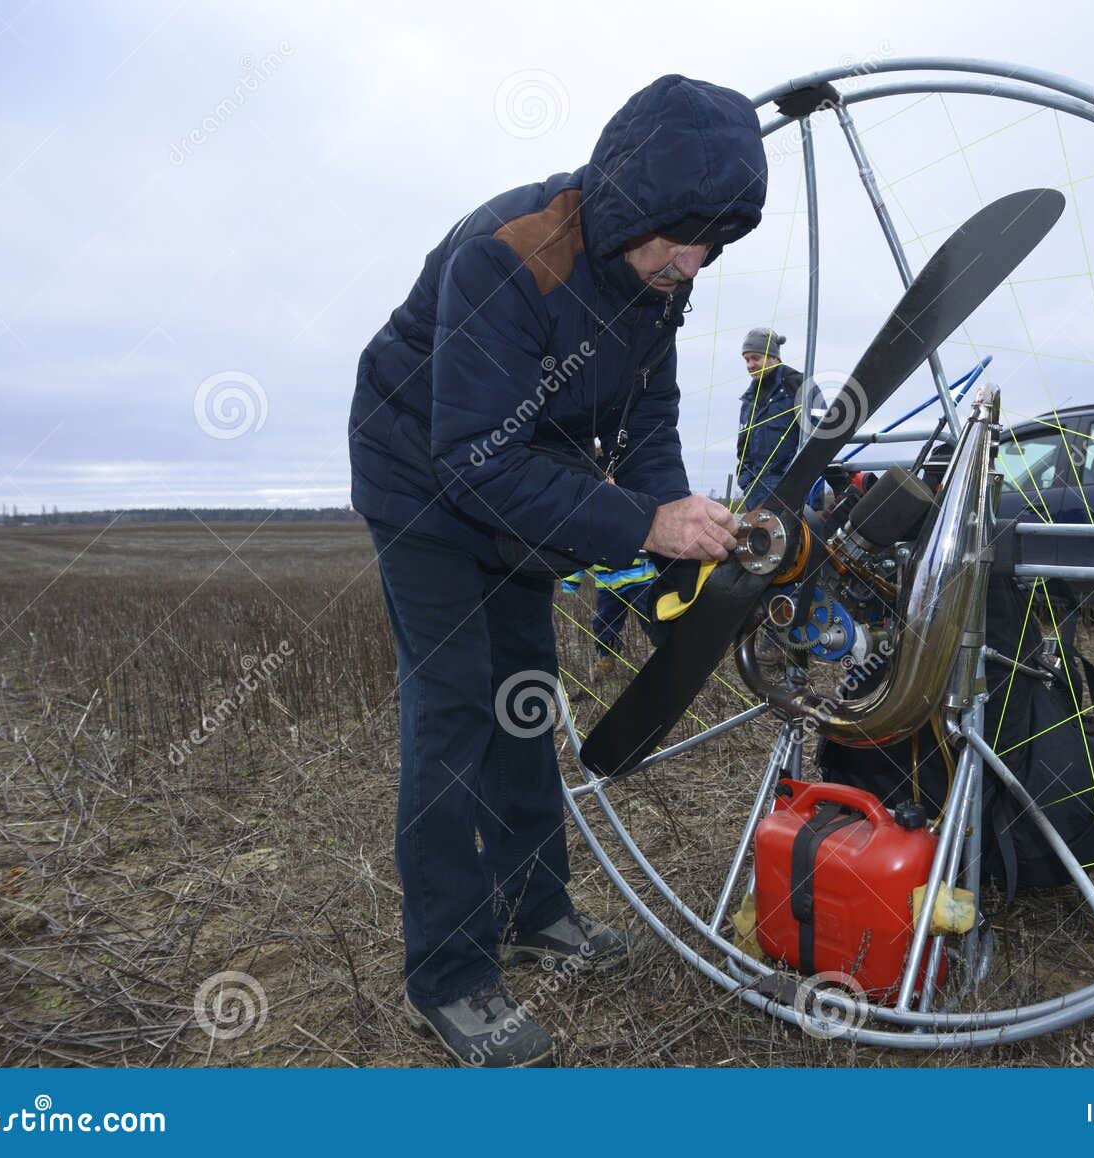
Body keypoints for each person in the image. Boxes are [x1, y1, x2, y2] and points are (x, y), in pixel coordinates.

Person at [347, 75, 765, 1067]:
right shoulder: (511, 255)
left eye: (715, 240)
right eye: (683, 234)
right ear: (634, 200)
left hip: (524, 484)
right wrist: (639, 522)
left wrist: (680, 533)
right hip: (424, 481)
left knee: (524, 699)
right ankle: (449, 976)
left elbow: (649, 421)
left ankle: (541, 915)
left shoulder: (660, 276)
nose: (697, 258)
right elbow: (472, 460)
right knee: (454, 713)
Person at [735, 327, 811, 508]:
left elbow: (818, 440)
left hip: (793, 492)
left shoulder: (799, 386)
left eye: (756, 358)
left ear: (774, 357)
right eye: (746, 359)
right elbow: (743, 448)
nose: (750, 365)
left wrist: (793, 480)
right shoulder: (748, 400)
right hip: (755, 494)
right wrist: (745, 481)